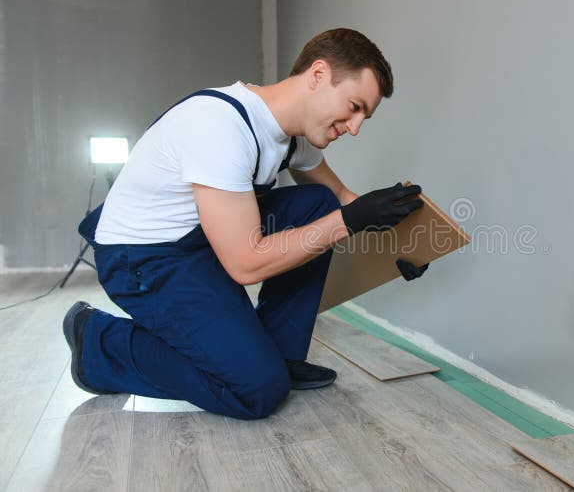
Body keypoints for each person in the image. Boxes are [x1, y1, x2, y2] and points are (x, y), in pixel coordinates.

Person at [62, 28, 429, 420]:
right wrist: (350, 220)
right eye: (354, 107)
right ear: (319, 75)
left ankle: (277, 355)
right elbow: (245, 264)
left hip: (202, 244)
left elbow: (343, 203)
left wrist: (401, 246)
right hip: (144, 260)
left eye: (364, 117)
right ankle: (99, 345)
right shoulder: (221, 126)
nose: (354, 127)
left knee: (318, 203)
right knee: (255, 390)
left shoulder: (294, 138)